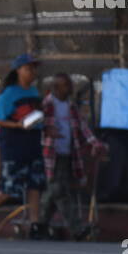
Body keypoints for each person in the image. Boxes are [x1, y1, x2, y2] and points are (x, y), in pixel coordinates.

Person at [0, 53, 47, 239]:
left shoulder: (33, 92)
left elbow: (38, 114)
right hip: (14, 143)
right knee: (11, 187)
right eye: (28, 68)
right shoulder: (8, 94)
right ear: (19, 71)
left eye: (34, 68)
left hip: (33, 140)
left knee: (35, 184)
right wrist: (18, 125)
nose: (32, 72)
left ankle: (34, 224)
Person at [38, 73, 106, 240]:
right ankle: (77, 229)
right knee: (59, 191)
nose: (70, 89)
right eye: (66, 85)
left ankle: (39, 226)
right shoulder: (46, 105)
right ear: (56, 87)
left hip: (68, 153)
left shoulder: (70, 106)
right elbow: (39, 126)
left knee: (54, 192)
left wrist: (94, 143)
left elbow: (82, 127)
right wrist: (46, 130)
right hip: (51, 155)